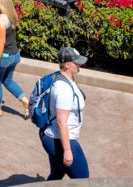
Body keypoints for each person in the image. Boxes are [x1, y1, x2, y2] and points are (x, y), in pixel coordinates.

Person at [41, 47, 90, 180]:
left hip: (53, 137)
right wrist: (67, 151)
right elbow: (61, 121)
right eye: (76, 62)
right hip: (58, 139)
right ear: (67, 65)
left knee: (56, 175)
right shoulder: (64, 89)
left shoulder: (64, 77)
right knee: (83, 179)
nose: (80, 65)